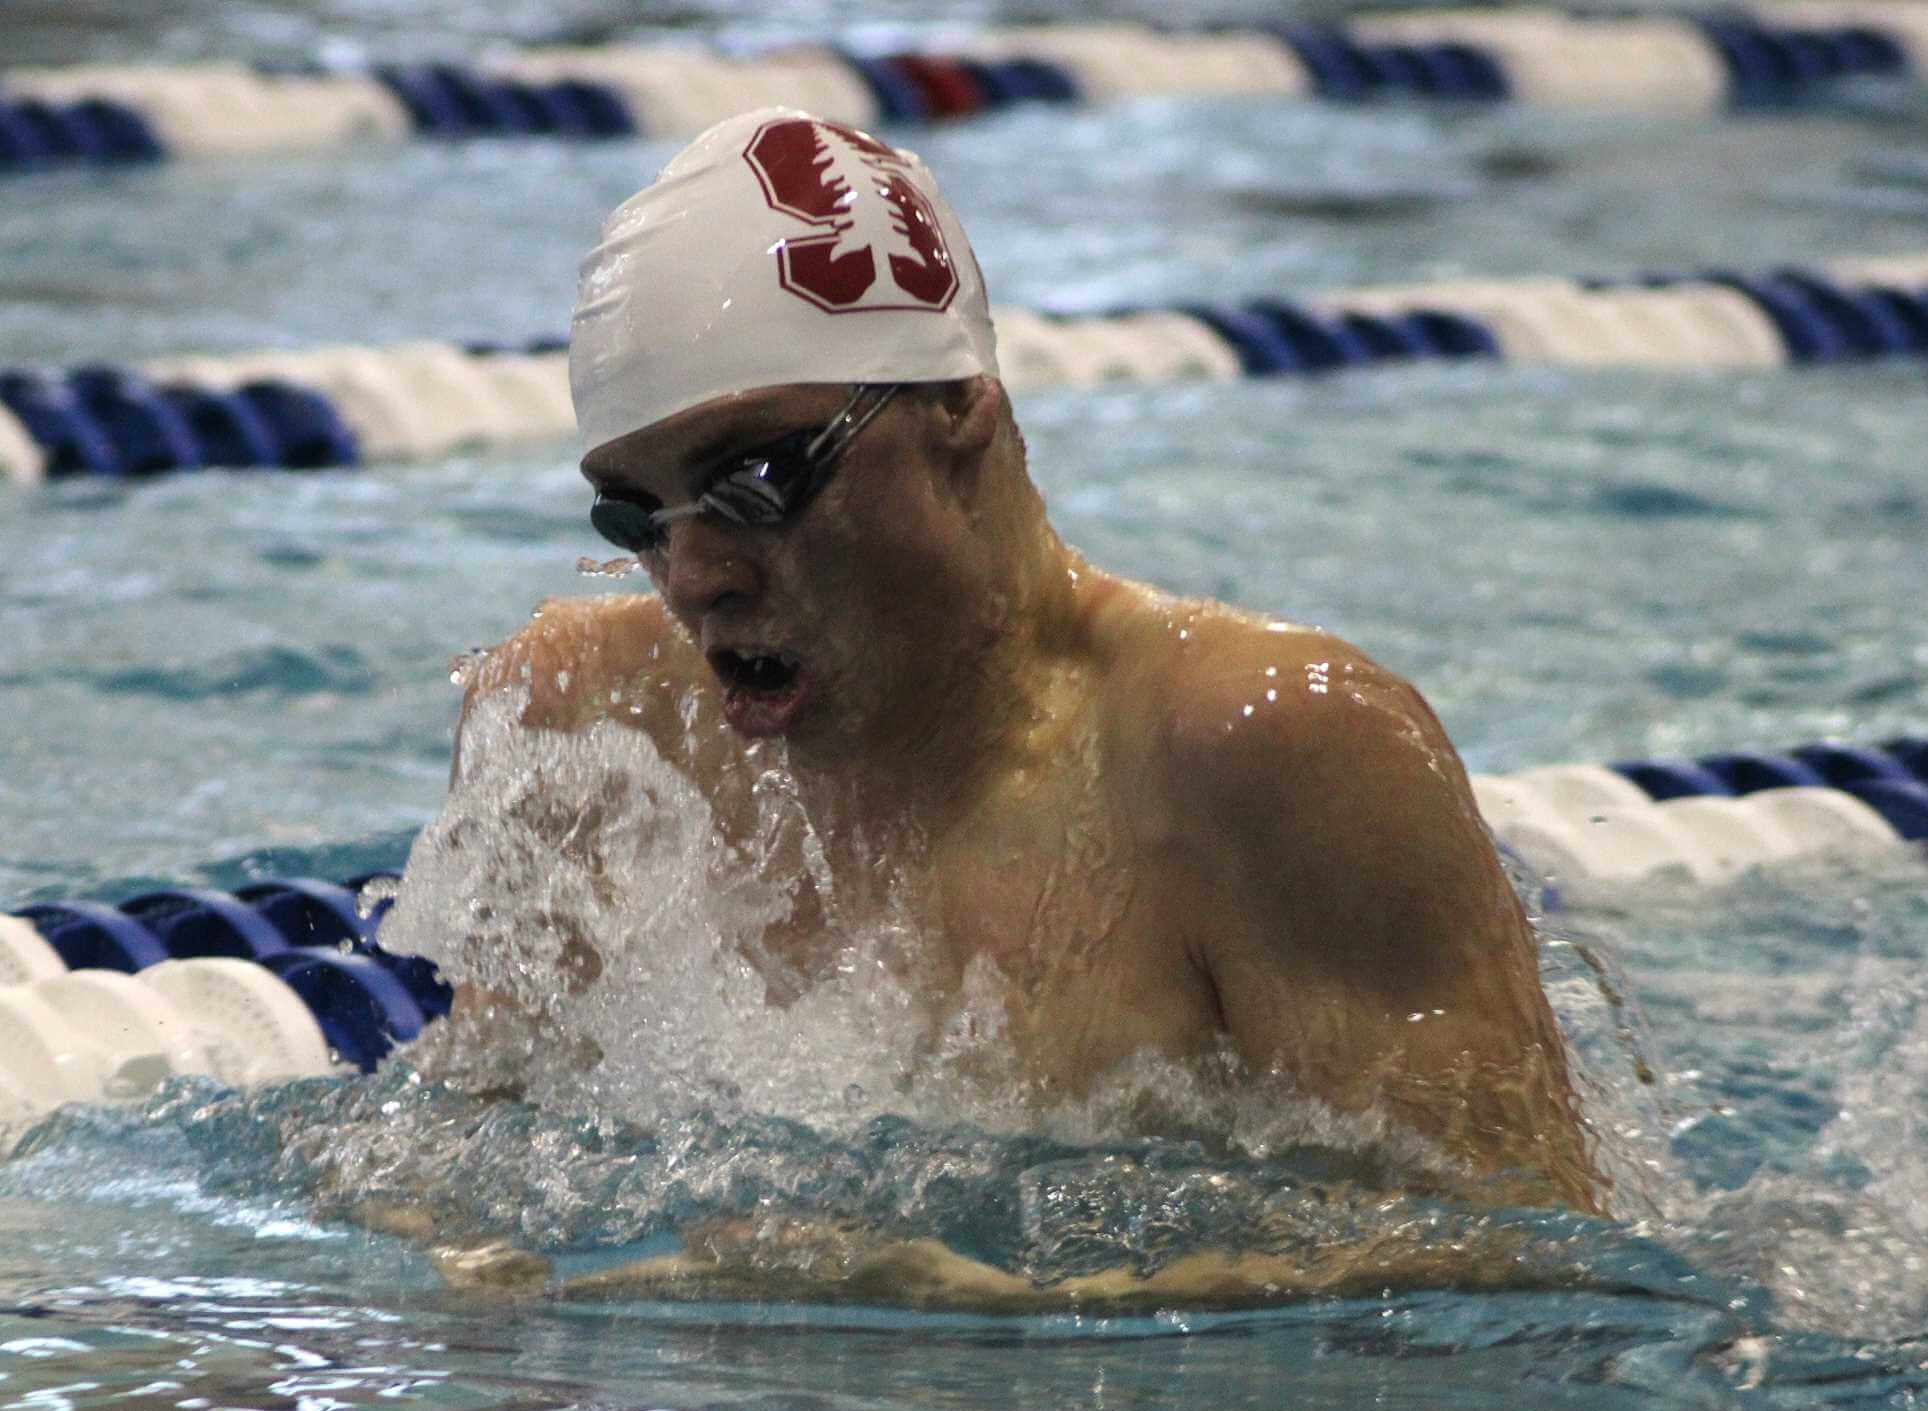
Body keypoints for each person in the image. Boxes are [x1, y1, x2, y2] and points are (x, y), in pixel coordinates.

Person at [428, 106, 1599, 1237]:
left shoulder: (1264, 755)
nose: (692, 578)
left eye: (756, 481)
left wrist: (961, 1297)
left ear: (959, 413)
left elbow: (1515, 1261)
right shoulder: (586, 725)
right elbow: (465, 1177)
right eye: (638, 515)